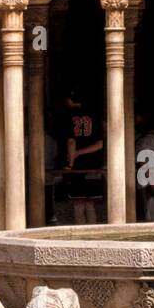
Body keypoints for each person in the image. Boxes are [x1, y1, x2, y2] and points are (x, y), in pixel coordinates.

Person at [62, 88, 104, 224]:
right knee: (90, 205)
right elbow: (99, 144)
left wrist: (71, 162)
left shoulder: (70, 116)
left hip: (77, 168)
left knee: (78, 206)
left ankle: (82, 242)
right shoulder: (95, 115)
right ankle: (94, 240)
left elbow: (71, 141)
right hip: (94, 166)